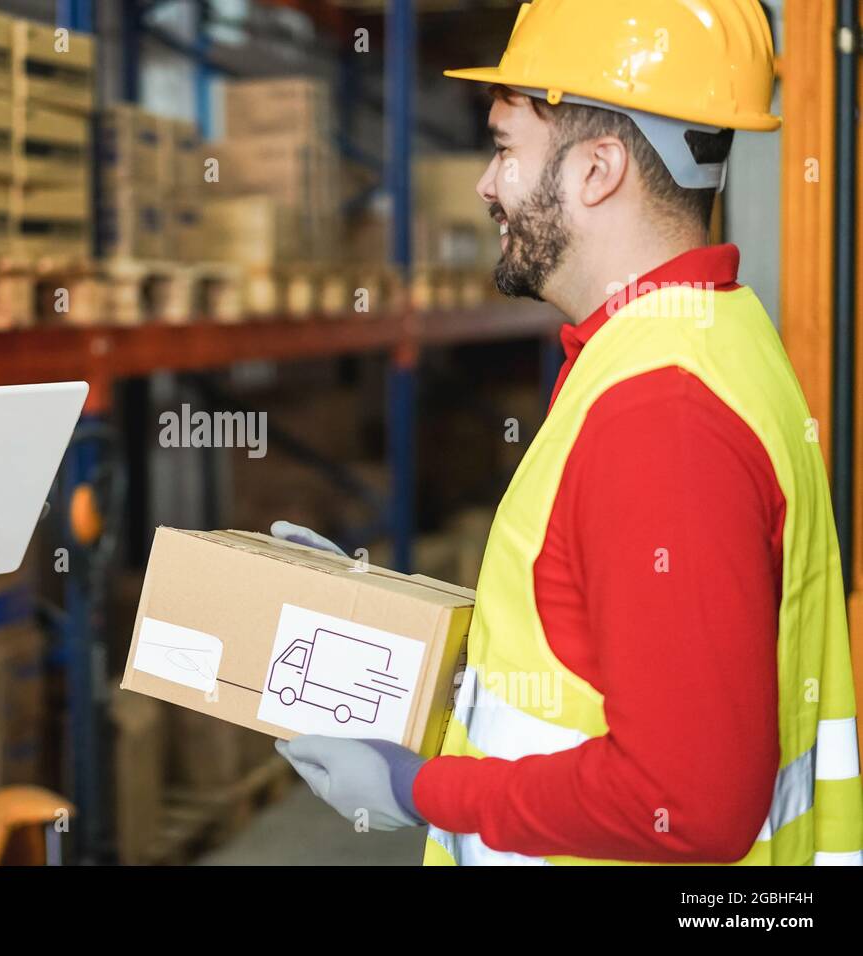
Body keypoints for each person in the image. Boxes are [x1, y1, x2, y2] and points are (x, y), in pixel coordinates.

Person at [275, 0, 863, 865]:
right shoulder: (699, 339)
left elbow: (688, 804)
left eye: (506, 147)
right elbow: (586, 639)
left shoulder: (661, 417)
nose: (485, 184)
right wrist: (382, 624)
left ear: (598, 171)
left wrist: (416, 788)